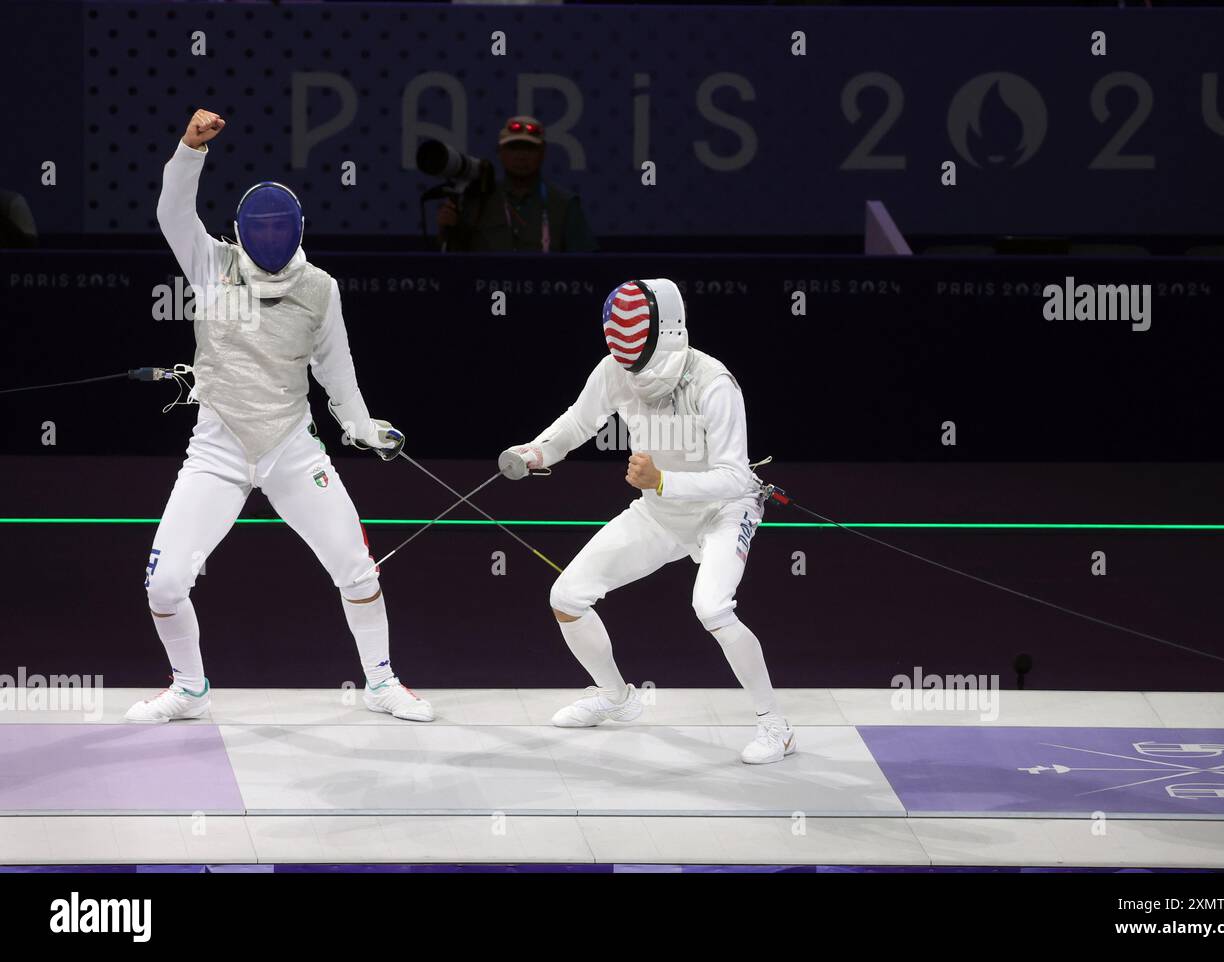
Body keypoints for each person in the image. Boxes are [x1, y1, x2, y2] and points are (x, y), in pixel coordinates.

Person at [128, 108, 433, 724]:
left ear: (296, 233)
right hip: (217, 446)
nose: (268, 244)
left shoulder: (320, 287)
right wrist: (190, 151)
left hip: (292, 446)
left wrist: (363, 427)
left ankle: (380, 681)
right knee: (164, 584)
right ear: (239, 233)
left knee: (354, 563)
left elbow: (335, 369)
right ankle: (189, 687)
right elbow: (171, 215)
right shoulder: (211, 265)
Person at [499, 279, 794, 764]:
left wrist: (662, 480)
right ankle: (616, 697)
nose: (628, 361)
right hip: (660, 512)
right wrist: (536, 451)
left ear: (667, 330)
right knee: (567, 597)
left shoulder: (713, 382)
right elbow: (578, 422)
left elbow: (733, 476)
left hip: (725, 510)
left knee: (712, 608)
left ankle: (776, 726)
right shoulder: (615, 370)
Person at [437, 115, 597, 252]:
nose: (521, 156)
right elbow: (456, 266)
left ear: (542, 152)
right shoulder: (477, 200)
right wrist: (447, 231)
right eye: (514, 148)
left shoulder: (564, 204)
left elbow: (586, 266)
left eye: (529, 148)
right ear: (500, 152)